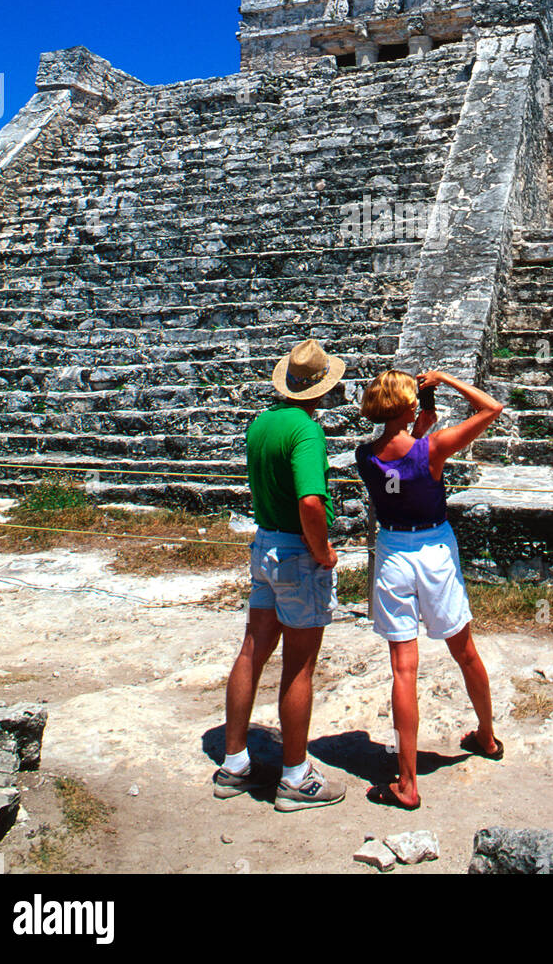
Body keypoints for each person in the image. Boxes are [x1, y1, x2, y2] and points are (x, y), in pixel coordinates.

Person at [355, 368, 504, 810]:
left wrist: (413, 420)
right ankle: (487, 736)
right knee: (464, 650)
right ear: (407, 407)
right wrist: (447, 379)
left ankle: (406, 781)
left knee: (404, 668)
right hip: (434, 550)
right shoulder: (432, 450)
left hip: (393, 552)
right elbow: (491, 407)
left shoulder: (365, 456)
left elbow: (400, 454)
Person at [215, 339, 347, 812]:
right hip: (296, 553)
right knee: (299, 665)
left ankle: (233, 764)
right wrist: (323, 551)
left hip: (264, 543)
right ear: (321, 387)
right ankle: (295, 777)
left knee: (252, 650)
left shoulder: (262, 423)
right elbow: (310, 501)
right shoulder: (307, 432)